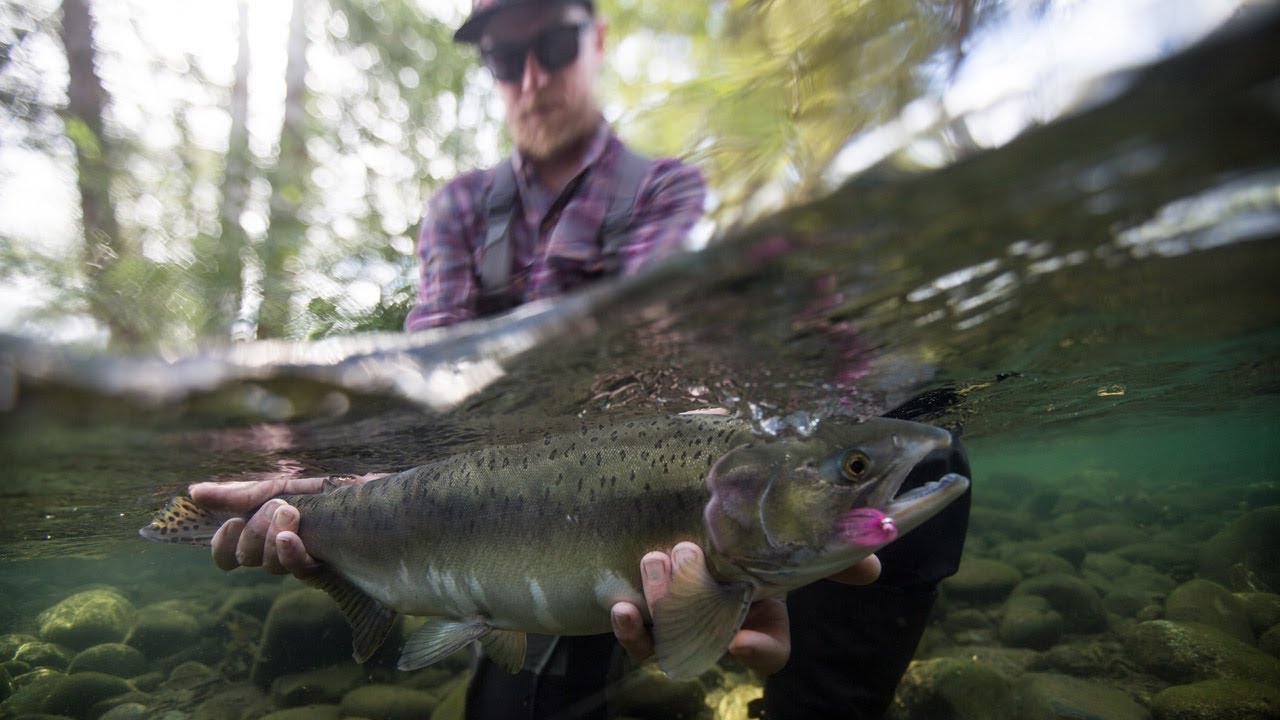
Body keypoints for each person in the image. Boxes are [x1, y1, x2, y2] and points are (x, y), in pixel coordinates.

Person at [192, 1, 971, 718]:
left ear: (596, 42)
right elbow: (433, 388)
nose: (531, 77)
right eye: (504, 59)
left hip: (705, 505)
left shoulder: (670, 187)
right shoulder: (460, 211)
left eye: (554, 44)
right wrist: (321, 488)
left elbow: (672, 347)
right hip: (528, 515)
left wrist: (749, 573)